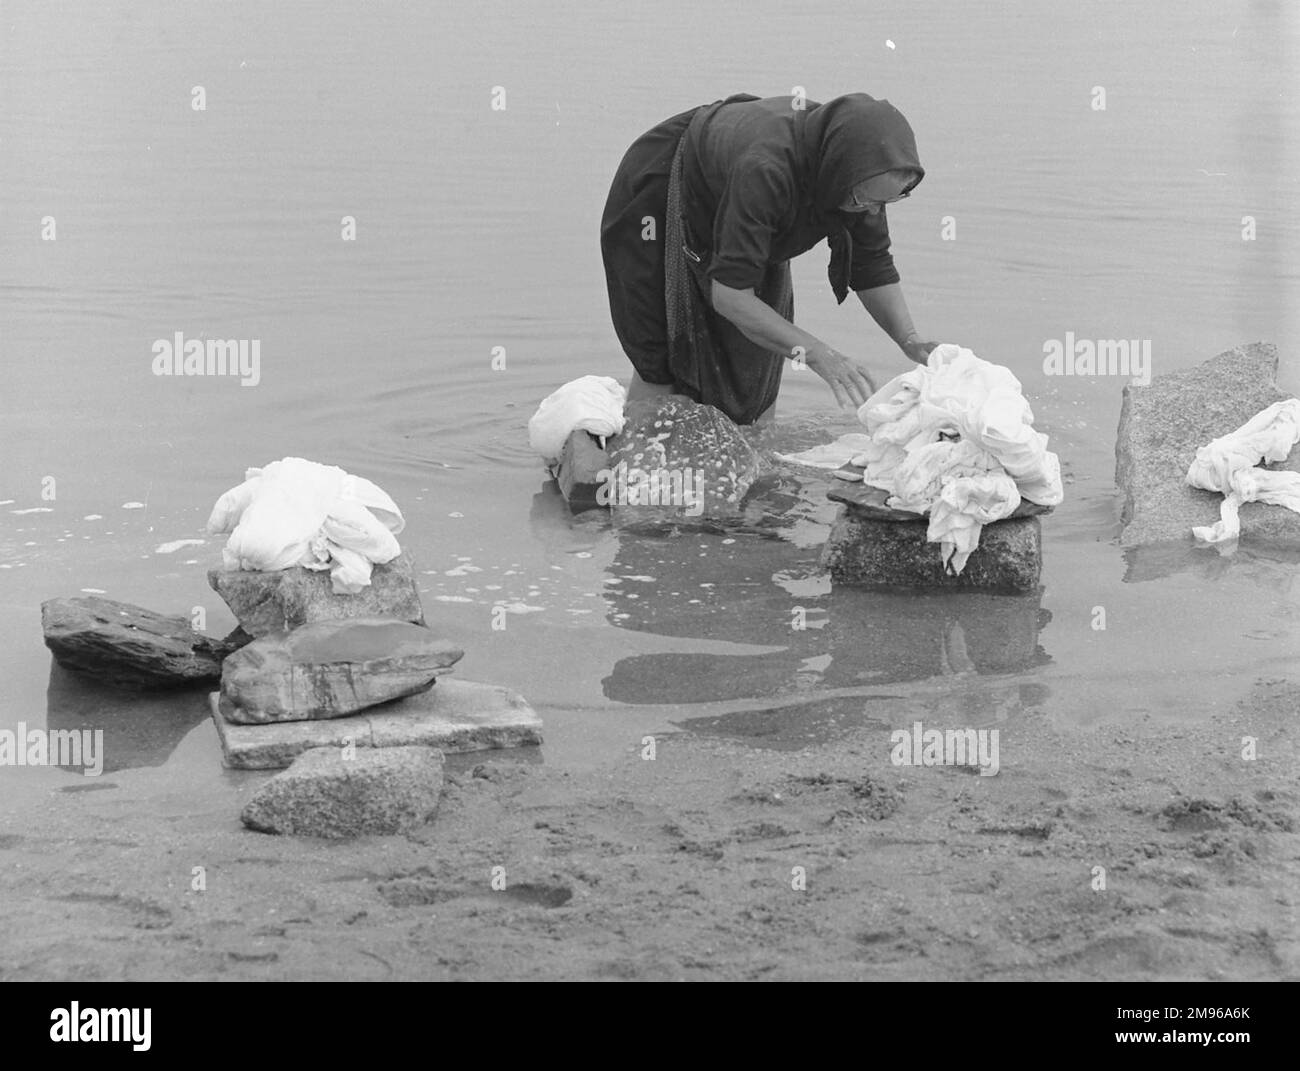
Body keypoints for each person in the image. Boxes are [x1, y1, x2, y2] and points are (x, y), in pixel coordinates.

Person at [601, 92, 939, 426]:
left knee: (756, 368)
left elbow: (872, 267)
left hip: (744, 204)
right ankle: (641, 463)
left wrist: (908, 338)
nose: (873, 212)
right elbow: (731, 296)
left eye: (889, 201)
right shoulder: (768, 170)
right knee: (664, 355)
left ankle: (751, 459)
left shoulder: (862, 180)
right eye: (864, 200)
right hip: (661, 196)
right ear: (841, 172)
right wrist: (818, 354)